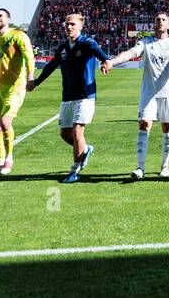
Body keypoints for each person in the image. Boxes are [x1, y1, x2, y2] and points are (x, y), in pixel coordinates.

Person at [105, 11, 169, 179]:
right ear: (154, 24)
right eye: (157, 20)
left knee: (167, 128)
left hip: (168, 94)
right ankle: (140, 168)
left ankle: (165, 166)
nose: (160, 22)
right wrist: (112, 61)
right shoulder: (146, 42)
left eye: (164, 20)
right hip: (149, 94)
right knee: (143, 125)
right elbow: (131, 53)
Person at [29, 13, 110, 183]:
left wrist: (106, 62)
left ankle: (75, 169)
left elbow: (102, 55)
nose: (69, 27)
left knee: (77, 131)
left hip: (85, 96)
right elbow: (51, 66)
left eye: (72, 24)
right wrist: (36, 82)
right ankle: (85, 150)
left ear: (81, 26)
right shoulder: (63, 47)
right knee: (65, 134)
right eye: (67, 24)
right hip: (67, 97)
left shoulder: (87, 43)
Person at [0, 8, 35, 175]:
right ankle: (0, 162)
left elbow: (29, 56)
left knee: (5, 122)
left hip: (14, 87)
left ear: (8, 19)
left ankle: (9, 159)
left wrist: (31, 76)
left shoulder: (18, 36)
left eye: (0, 15)